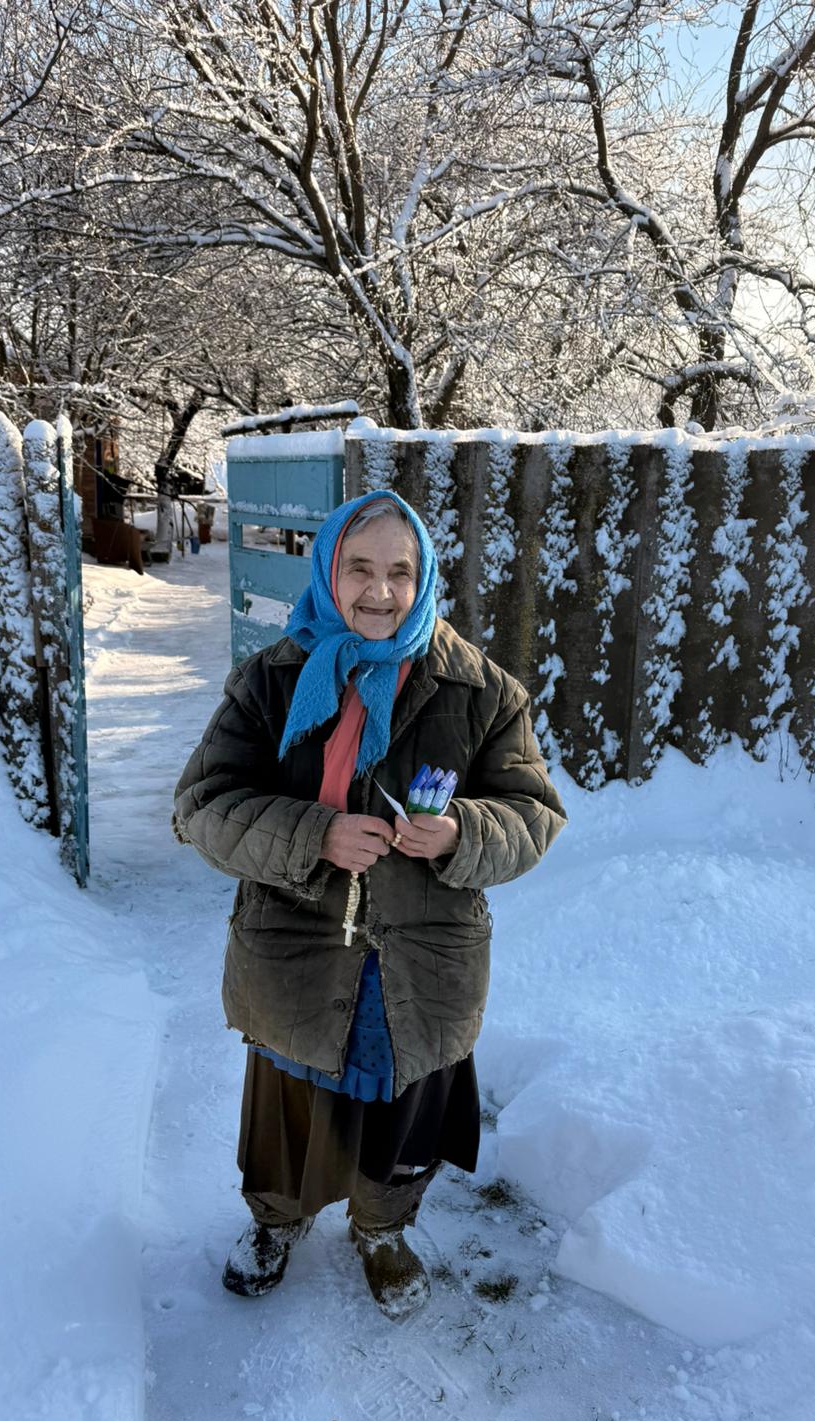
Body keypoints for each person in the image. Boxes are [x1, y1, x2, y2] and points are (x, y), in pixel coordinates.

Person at [173, 488, 566, 1319]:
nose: (379, 592)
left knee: (405, 1111)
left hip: (424, 960)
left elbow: (535, 814)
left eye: (399, 571)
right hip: (293, 950)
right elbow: (200, 807)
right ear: (328, 572)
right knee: (288, 1112)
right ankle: (275, 1220)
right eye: (360, 569)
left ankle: (383, 1230)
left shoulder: (481, 691)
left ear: (423, 579)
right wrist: (311, 834)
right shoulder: (272, 681)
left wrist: (464, 830)